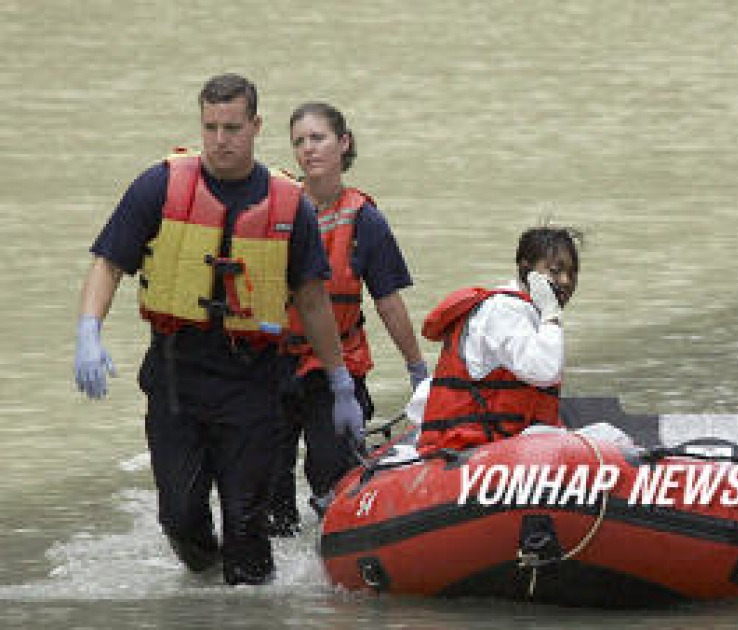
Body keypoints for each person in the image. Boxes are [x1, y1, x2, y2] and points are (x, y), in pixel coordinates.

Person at [72, 74, 363, 585]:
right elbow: (109, 263)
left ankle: (250, 605)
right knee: (180, 516)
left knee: (248, 526)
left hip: (253, 380)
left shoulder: (288, 203)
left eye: (232, 127)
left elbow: (313, 300)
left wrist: (340, 382)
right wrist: (88, 332)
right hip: (176, 373)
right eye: (211, 127)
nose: (220, 139)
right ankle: (206, 585)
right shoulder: (159, 186)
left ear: (256, 126)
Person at [264, 102, 429, 534]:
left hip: (336, 365)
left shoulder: (365, 220)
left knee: (330, 471)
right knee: (269, 486)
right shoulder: (276, 210)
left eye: (317, 138)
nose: (308, 149)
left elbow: (388, 302)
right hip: (273, 364)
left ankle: (333, 544)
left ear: (343, 143)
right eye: (299, 142)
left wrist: (418, 371)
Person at [406, 226, 580, 455]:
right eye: (555, 271)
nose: (565, 281)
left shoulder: (529, 312)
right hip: (467, 446)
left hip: (504, 443)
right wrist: (551, 315)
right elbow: (545, 371)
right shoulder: (503, 310)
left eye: (572, 273)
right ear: (526, 270)